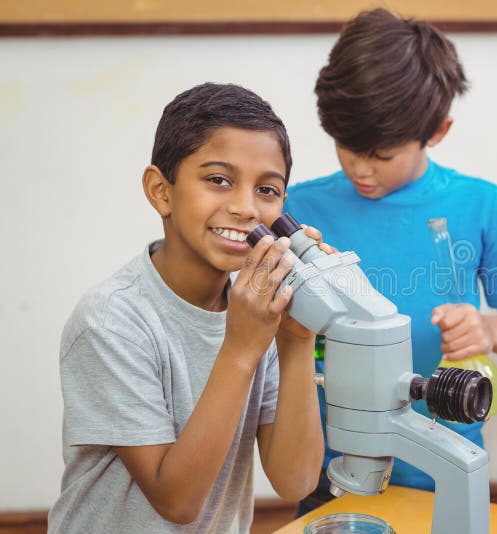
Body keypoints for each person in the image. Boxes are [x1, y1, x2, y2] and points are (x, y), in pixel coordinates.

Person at [285, 8, 497, 513]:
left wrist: (490, 331)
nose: (361, 169)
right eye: (346, 147)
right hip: (330, 473)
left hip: (446, 466)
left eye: (383, 154)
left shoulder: (479, 205)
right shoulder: (297, 211)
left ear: (439, 129)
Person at [48, 83, 325, 533]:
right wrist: (240, 350)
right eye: (219, 180)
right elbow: (176, 501)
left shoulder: (258, 310)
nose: (244, 207)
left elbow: (294, 482)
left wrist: (296, 339)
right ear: (161, 191)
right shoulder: (110, 321)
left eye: (267, 189)